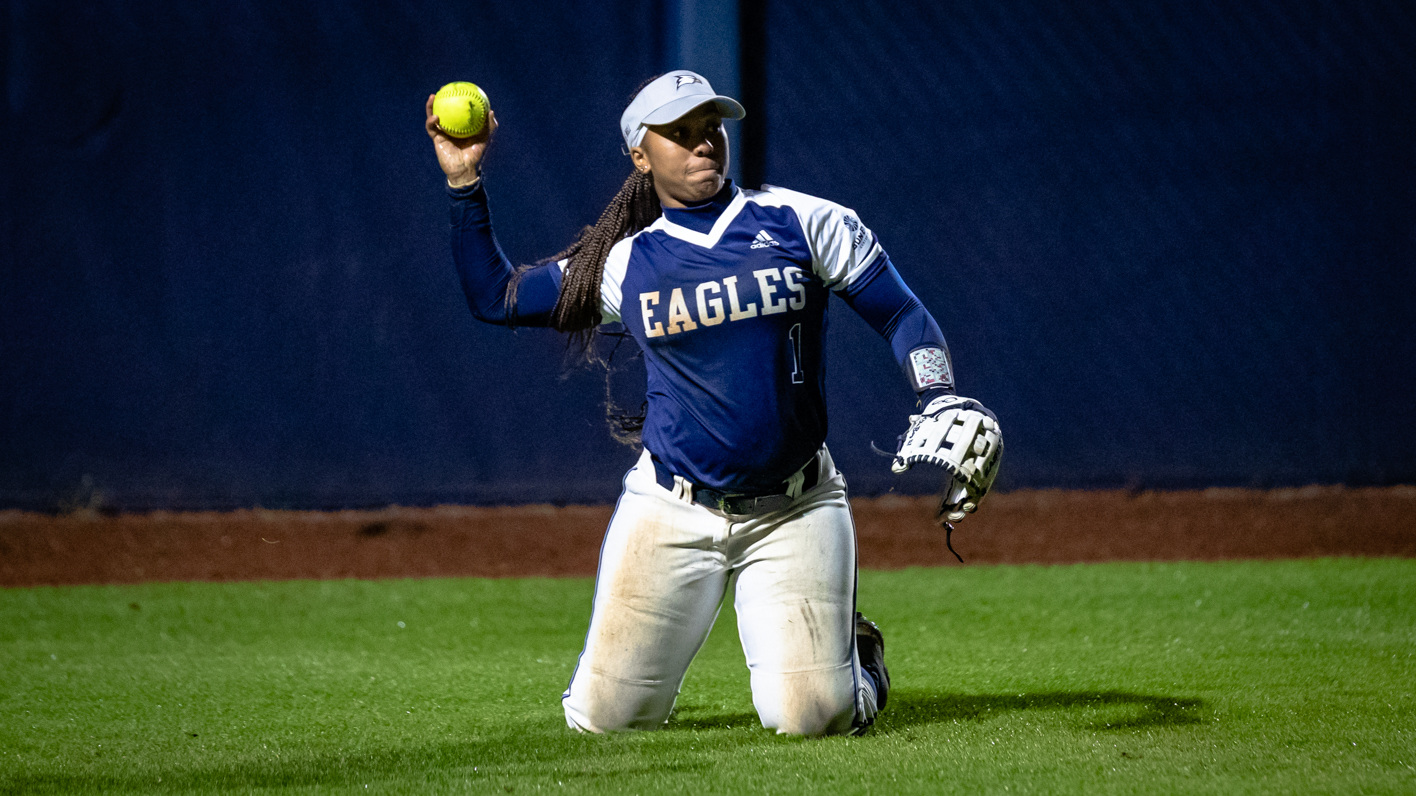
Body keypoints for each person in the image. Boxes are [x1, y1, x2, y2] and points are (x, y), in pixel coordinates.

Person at [424, 71, 999, 736]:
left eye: (709, 127)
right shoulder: (626, 264)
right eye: (679, 132)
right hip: (671, 510)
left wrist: (939, 391)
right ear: (641, 155)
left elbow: (900, 311)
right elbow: (497, 298)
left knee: (812, 718)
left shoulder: (802, 222)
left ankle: (857, 660)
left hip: (795, 507)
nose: (701, 143)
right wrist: (464, 183)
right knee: (605, 722)